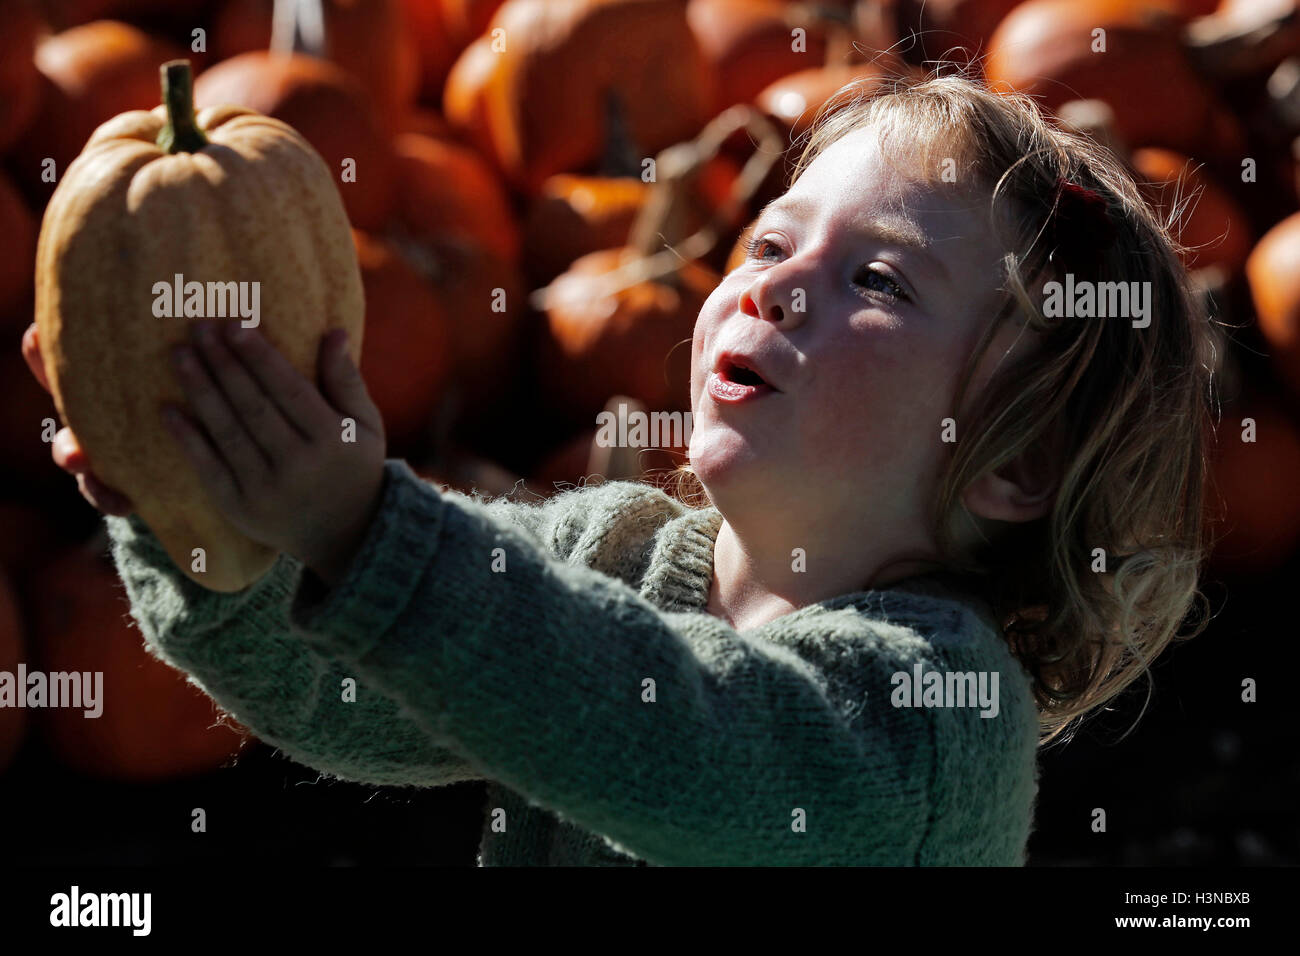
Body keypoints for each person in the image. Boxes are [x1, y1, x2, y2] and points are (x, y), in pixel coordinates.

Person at [21, 71, 1221, 865]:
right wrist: (193, 521)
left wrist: (368, 530)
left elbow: (683, 745)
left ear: (1012, 464)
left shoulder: (934, 724)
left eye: (879, 280)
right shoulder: (618, 554)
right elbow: (349, 697)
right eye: (769, 239)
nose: (772, 282)